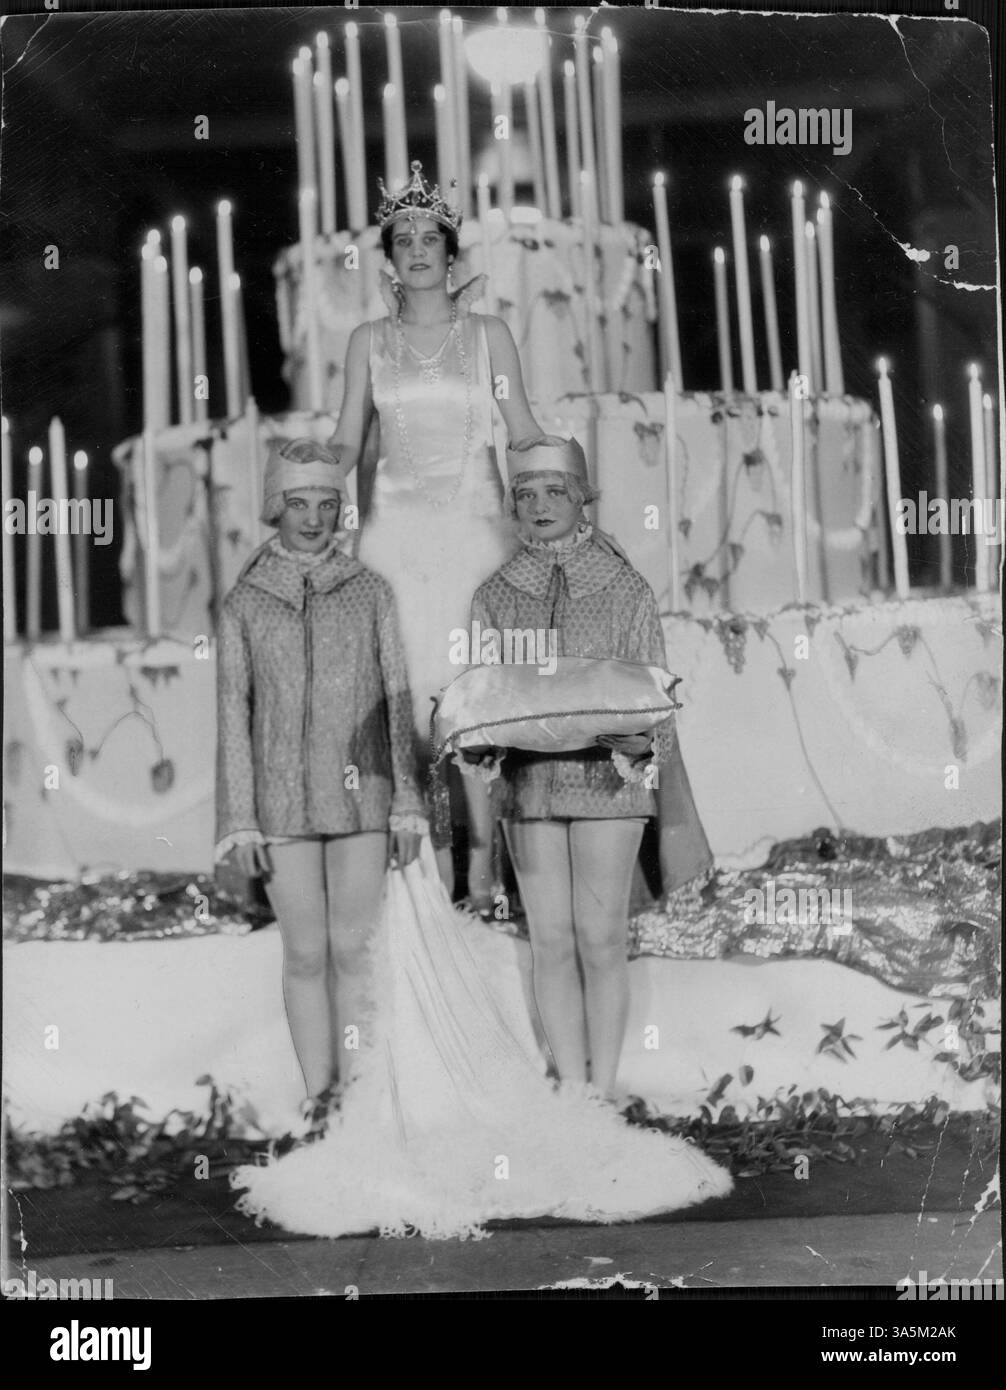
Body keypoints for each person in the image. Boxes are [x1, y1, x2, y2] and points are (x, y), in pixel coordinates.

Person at [328, 161, 560, 907]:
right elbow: (346, 441)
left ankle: (487, 864)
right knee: (406, 699)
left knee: (476, 700)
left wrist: (565, 477)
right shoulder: (368, 341)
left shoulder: (488, 334)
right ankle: (422, 867)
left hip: (472, 533)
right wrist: (303, 467)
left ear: (452, 253)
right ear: (390, 260)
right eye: (404, 239)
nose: (420, 249)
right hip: (396, 541)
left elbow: (521, 429)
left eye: (432, 237)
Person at [467, 436, 703, 1099]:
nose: (540, 506)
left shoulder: (625, 586)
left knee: (601, 936)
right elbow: (487, 697)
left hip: (609, 781)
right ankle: (572, 1086)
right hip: (529, 785)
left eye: (555, 492)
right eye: (526, 494)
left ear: (582, 497)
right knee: (552, 937)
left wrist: (631, 748)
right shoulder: (494, 596)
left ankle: (603, 1087)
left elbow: (654, 694)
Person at [215, 439, 426, 1102]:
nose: (313, 518)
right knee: (304, 953)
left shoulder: (370, 592)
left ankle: (363, 1096)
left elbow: (397, 697)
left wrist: (407, 801)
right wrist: (240, 821)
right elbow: (231, 714)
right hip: (279, 805)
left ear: (342, 510)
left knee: (352, 951)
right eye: (299, 503)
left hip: (364, 800)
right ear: (276, 507)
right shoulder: (245, 603)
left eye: (327, 504)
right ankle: (320, 1098)